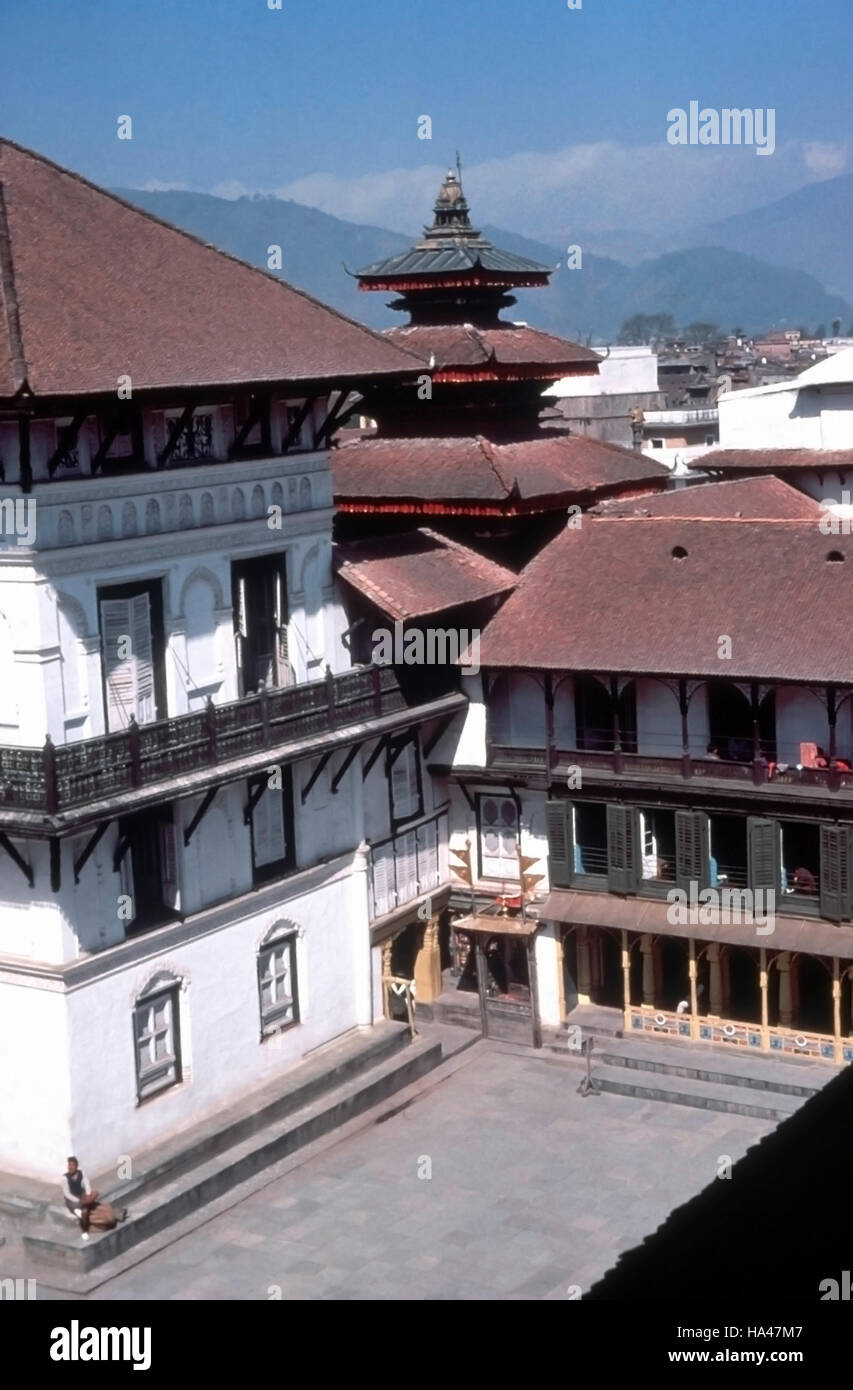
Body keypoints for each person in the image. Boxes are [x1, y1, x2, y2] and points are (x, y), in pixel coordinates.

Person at [61, 1157, 127, 1240]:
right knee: (84, 1212)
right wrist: (79, 1201)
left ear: (77, 1166)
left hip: (82, 1196)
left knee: (94, 1204)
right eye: (69, 1165)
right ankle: (84, 1230)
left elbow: (86, 1184)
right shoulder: (64, 1178)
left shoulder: (81, 1173)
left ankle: (114, 1214)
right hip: (72, 1200)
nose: (70, 1167)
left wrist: (88, 1195)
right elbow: (67, 1194)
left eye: (72, 1165)